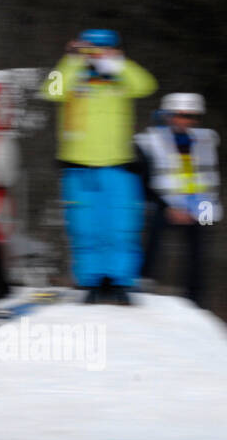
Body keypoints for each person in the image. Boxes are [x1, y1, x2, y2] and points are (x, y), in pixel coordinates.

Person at [40, 29, 157, 304]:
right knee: (84, 227)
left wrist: (119, 63)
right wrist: (70, 60)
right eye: (91, 49)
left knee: (119, 226)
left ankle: (120, 282)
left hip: (118, 165)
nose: (96, 55)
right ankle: (91, 281)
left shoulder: (122, 76)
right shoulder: (71, 74)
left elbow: (146, 85)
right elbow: (51, 91)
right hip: (78, 166)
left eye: (102, 49)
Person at [135, 93, 221, 307]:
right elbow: (145, 183)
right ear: (169, 116)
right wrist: (169, 206)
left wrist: (200, 210)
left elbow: (211, 178)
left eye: (193, 117)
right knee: (152, 229)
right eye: (182, 116)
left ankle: (197, 298)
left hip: (201, 204)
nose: (188, 122)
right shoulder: (149, 143)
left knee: (202, 246)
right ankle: (143, 282)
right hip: (164, 203)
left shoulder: (206, 141)